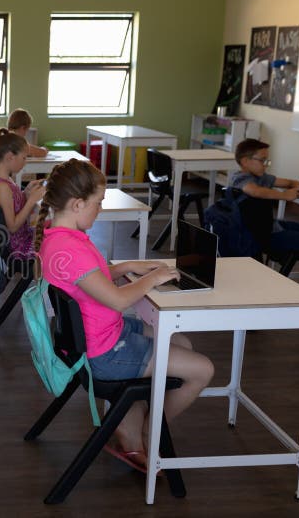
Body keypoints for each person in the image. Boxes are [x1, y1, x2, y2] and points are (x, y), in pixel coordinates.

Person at [34, 159, 214, 473]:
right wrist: (153, 279)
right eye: (97, 203)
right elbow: (117, 300)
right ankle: (148, 430)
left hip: (99, 337)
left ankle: (129, 422)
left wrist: (129, 267)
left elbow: (91, 278)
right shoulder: (70, 248)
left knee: (181, 340)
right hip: (105, 351)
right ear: (77, 204)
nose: (100, 209)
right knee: (202, 369)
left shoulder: (59, 238)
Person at [229, 139, 299, 268]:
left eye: (267, 161)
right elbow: (254, 191)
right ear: (245, 161)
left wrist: (298, 188)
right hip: (259, 236)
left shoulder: (262, 177)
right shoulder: (240, 178)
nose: (266, 164)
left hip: (271, 227)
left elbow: (290, 182)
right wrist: (284, 195)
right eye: (262, 160)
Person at [0, 127, 47, 259]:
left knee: (52, 230)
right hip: (18, 247)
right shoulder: (2, 187)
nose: (25, 162)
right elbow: (12, 227)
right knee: (54, 240)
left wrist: (26, 193)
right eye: (24, 158)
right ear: (10, 157)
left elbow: (12, 204)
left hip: (21, 238)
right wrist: (31, 201)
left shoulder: (5, 179)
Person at [0, 108, 49, 192]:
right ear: (23, 128)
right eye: (27, 130)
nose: (25, 134)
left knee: (23, 191)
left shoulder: (3, 137)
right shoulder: (14, 141)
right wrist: (44, 149)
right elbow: (41, 153)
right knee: (28, 193)